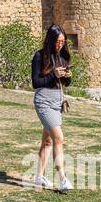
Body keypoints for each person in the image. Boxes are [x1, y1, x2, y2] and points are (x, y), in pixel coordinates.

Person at [30, 24, 72, 192]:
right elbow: (36, 83)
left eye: (63, 41)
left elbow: (65, 83)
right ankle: (62, 178)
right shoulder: (39, 56)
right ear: (51, 39)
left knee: (47, 141)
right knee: (59, 138)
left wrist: (67, 77)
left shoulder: (62, 56)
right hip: (43, 101)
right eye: (58, 41)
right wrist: (53, 75)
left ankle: (39, 177)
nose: (60, 45)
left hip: (57, 102)